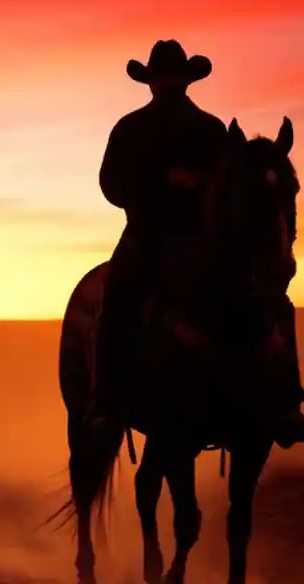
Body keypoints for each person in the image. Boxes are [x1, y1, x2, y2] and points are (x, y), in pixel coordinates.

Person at [91, 40, 231, 429]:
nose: (168, 85)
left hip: (191, 238)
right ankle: (106, 398)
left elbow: (228, 186)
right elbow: (111, 184)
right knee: (116, 298)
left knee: (259, 299)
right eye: (164, 78)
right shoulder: (134, 129)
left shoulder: (208, 129)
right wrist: (162, 184)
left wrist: (198, 184)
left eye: (173, 78)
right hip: (148, 236)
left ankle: (274, 396)